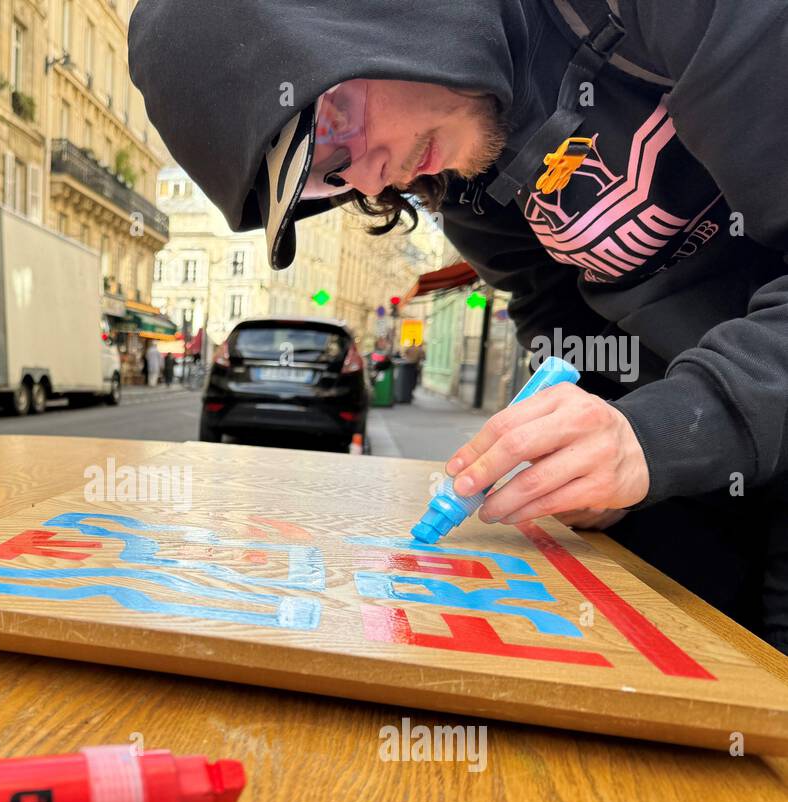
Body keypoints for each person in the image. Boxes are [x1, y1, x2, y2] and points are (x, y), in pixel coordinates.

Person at [131, 0, 788, 651]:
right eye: (325, 178)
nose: (367, 174)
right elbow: (568, 333)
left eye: (332, 121)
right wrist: (585, 454)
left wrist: (658, 434)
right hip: (703, 480)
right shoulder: (469, 181)